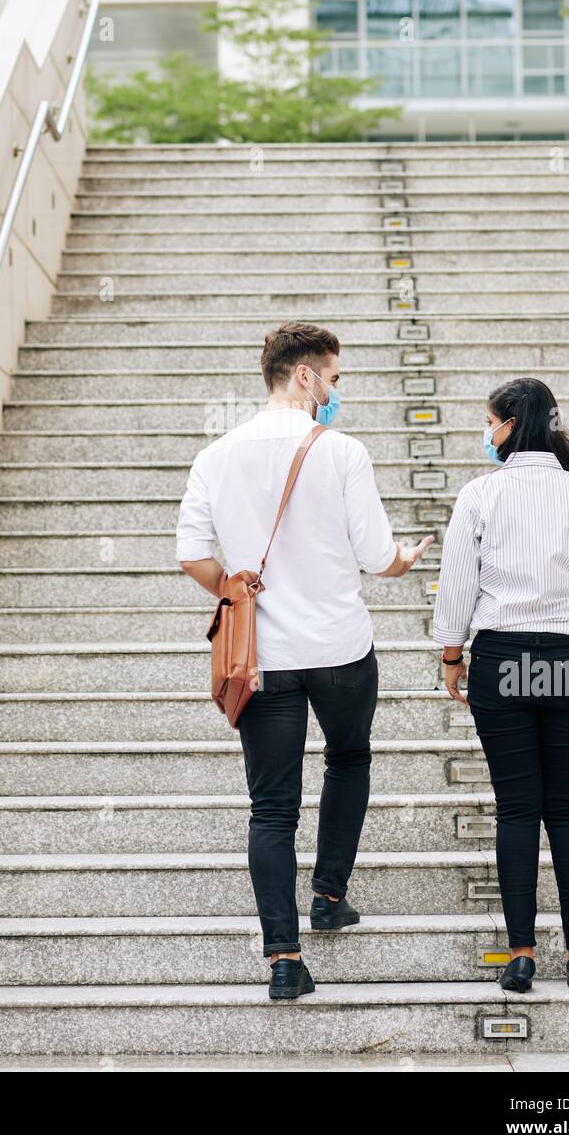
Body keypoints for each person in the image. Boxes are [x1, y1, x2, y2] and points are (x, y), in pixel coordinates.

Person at [175, 321, 434, 1000]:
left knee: (271, 808)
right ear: (304, 376)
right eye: (334, 379)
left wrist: (235, 585)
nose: (335, 393)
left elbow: (192, 556)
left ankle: (284, 960)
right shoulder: (342, 451)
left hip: (262, 655)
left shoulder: (215, 456)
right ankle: (328, 895)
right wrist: (402, 560)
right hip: (340, 648)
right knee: (348, 758)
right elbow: (378, 556)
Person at [432, 377, 569, 994]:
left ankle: (520, 954)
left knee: (517, 810)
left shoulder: (480, 495)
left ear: (509, 425)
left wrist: (451, 654)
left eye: (489, 422)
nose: (486, 433)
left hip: (503, 660)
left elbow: (458, 588)